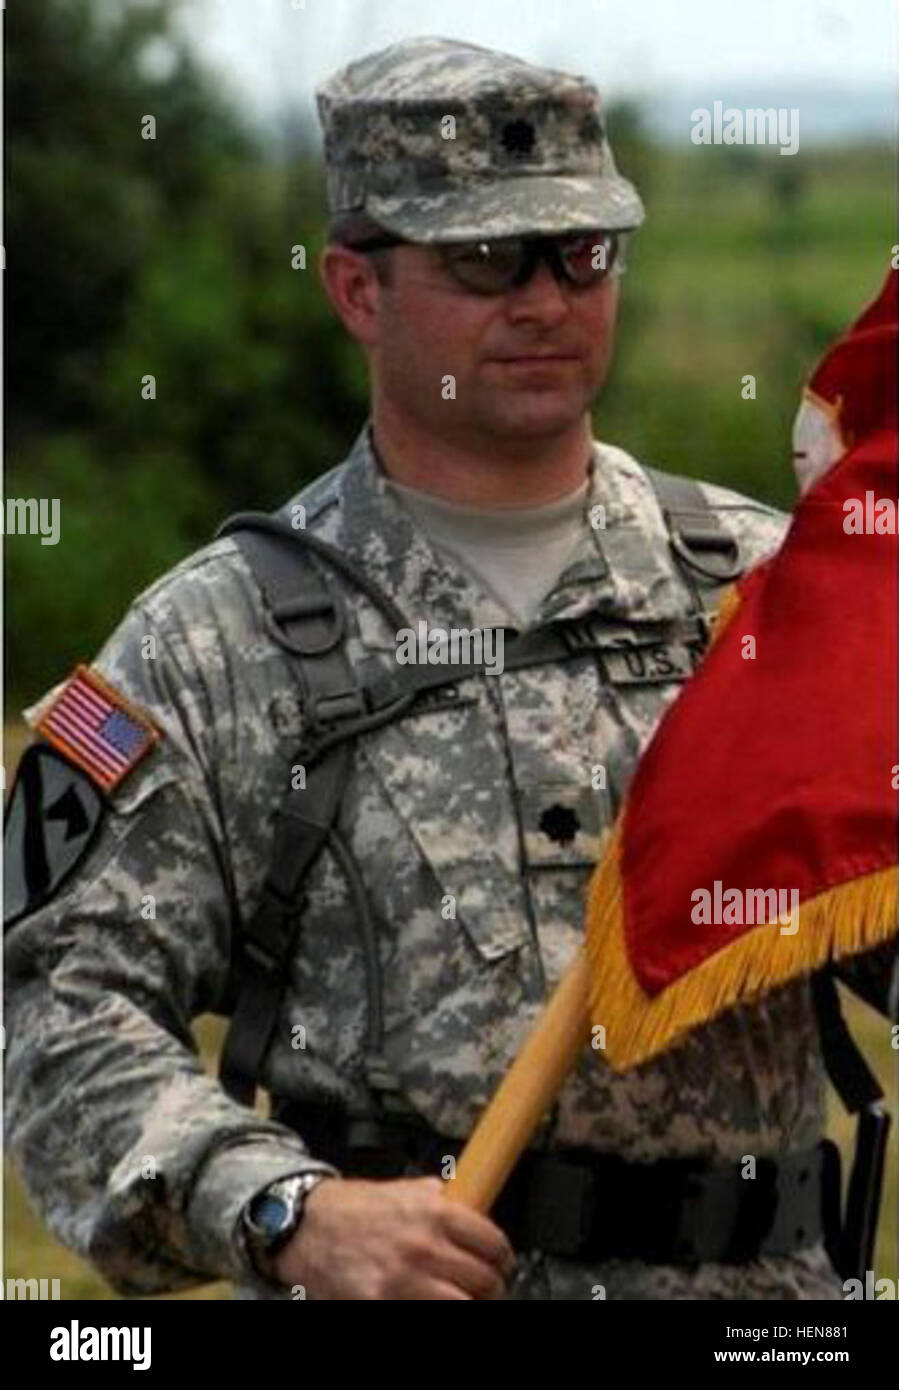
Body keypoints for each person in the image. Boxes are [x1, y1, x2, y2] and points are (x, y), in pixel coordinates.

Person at [5, 35, 894, 1302]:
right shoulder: (211, 644)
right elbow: (53, 1011)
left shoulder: (766, 595)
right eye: (484, 259)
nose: (544, 300)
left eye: (581, 254)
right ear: (356, 292)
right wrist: (282, 1209)